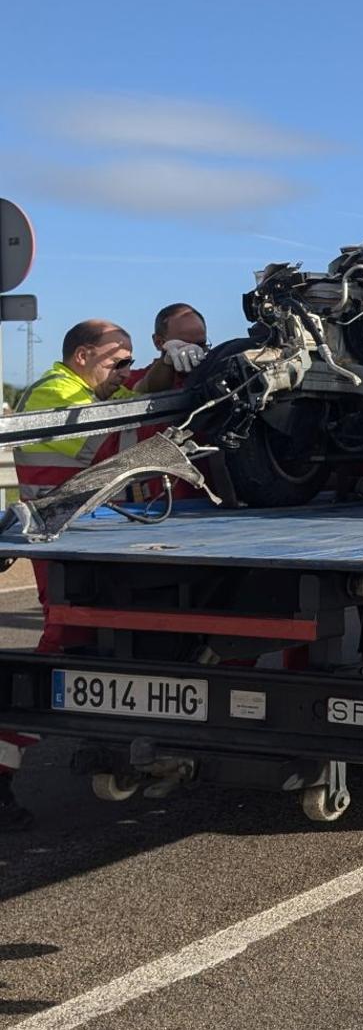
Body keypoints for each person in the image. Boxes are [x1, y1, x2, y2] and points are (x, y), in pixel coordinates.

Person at [5, 320, 191, 830]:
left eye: (132, 361)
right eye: (118, 361)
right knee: (63, 647)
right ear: (84, 355)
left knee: (95, 647)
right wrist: (156, 378)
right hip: (63, 542)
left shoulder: (83, 387)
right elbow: (107, 436)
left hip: (87, 541)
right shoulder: (54, 393)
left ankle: (104, 746)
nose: (125, 372)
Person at [125, 303, 213, 502]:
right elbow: (143, 389)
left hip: (212, 503)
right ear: (159, 342)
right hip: (155, 508)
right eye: (182, 344)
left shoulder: (216, 377)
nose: (192, 350)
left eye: (200, 344)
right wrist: (167, 360)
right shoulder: (135, 378)